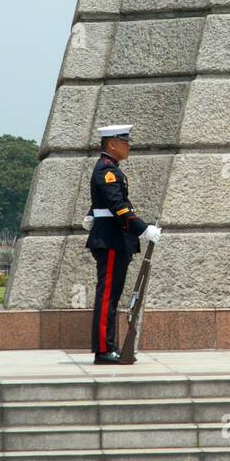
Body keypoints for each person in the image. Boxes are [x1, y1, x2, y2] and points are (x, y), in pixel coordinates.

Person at [82, 126, 162, 365]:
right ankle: (104, 350)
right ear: (112, 144)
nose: (128, 146)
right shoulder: (106, 171)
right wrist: (143, 229)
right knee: (107, 296)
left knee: (112, 296)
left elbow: (107, 201)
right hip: (112, 240)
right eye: (124, 142)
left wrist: (92, 214)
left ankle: (109, 346)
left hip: (114, 239)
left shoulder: (111, 170)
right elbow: (119, 207)